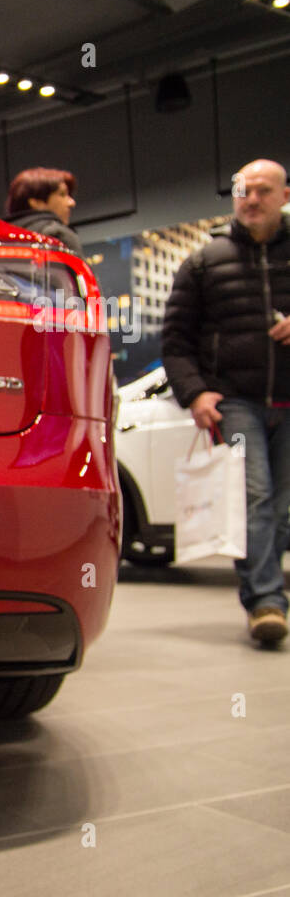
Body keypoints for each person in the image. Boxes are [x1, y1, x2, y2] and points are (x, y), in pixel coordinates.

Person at [161, 158, 290, 645]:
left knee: (281, 508)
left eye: (262, 190)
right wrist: (195, 392)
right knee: (254, 499)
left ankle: (267, 589)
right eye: (243, 190)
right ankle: (267, 603)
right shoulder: (204, 261)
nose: (251, 199)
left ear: (285, 196)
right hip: (236, 402)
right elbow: (175, 339)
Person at [4, 167, 83, 255]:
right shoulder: (58, 235)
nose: (71, 203)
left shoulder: (0, 241)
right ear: (36, 202)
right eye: (62, 194)